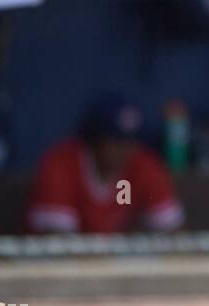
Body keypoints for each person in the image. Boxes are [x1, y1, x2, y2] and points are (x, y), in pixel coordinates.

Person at [26, 95, 184, 234]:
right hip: (61, 266)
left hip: (119, 264)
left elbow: (172, 231)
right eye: (115, 141)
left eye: (130, 142)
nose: (125, 151)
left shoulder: (142, 164)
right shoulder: (62, 165)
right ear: (94, 140)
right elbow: (56, 242)